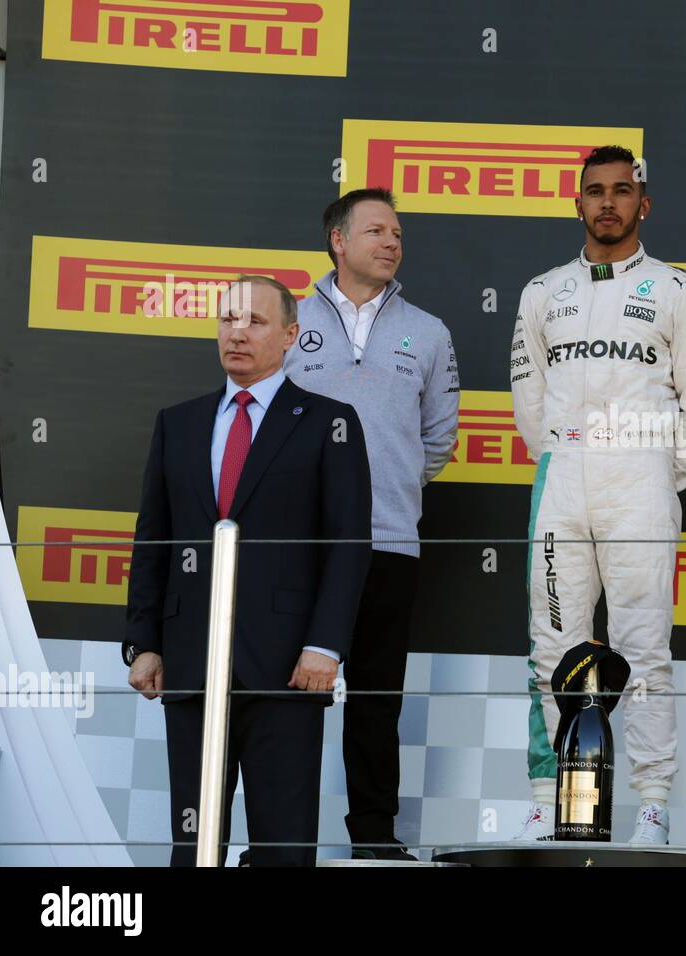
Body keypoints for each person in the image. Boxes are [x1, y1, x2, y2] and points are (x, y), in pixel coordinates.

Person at [510, 145, 686, 843]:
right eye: (595, 191)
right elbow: (528, 402)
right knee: (554, 645)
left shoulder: (678, 290)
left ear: (644, 203)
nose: (608, 202)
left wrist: (663, 467)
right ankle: (553, 802)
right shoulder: (542, 292)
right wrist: (562, 455)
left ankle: (654, 804)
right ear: (577, 204)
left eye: (621, 191)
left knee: (643, 645)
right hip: (563, 478)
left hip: (639, 479)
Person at [124, 275, 372, 866]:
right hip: (189, 662)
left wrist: (325, 646)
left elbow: (349, 544)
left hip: (289, 666)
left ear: (291, 335)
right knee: (195, 839)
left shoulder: (329, 423)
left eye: (255, 322)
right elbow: (153, 537)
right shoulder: (177, 423)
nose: (237, 332)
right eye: (228, 319)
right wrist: (144, 642)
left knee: (283, 844)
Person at [284, 188, 459, 860]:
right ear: (338, 240)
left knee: (377, 704)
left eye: (398, 234)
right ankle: (284, 841)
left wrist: (381, 490)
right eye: (377, 231)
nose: (392, 243)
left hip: (389, 541)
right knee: (290, 700)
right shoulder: (291, 321)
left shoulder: (431, 332)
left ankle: (375, 843)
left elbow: (436, 442)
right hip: (299, 549)